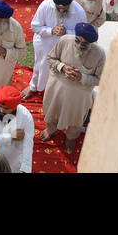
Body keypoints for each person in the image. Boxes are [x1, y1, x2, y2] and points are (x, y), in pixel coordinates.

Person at [41, 22, 104, 153]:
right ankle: (51, 129)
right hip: (56, 88)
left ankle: (71, 137)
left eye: (84, 44)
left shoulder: (99, 54)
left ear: (91, 44)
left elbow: (100, 80)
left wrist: (82, 77)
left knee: (76, 119)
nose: (79, 45)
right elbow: (51, 58)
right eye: (78, 41)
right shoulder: (65, 41)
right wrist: (63, 68)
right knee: (51, 111)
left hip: (79, 95)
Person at [25, 0, 86, 99]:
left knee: (64, 69)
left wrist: (66, 32)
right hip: (45, 43)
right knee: (41, 65)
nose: (62, 10)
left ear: (70, 3)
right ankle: (34, 87)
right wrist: (51, 31)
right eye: (59, 8)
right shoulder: (45, 6)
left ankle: (58, 93)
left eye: (65, 8)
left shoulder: (79, 12)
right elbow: (35, 27)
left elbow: (82, 33)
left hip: (67, 46)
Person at [0, 86, 34, 172]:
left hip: (13, 159)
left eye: (6, 108)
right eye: (0, 106)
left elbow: (28, 143)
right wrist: (11, 136)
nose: (1, 110)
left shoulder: (26, 117)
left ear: (14, 107)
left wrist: (26, 168)